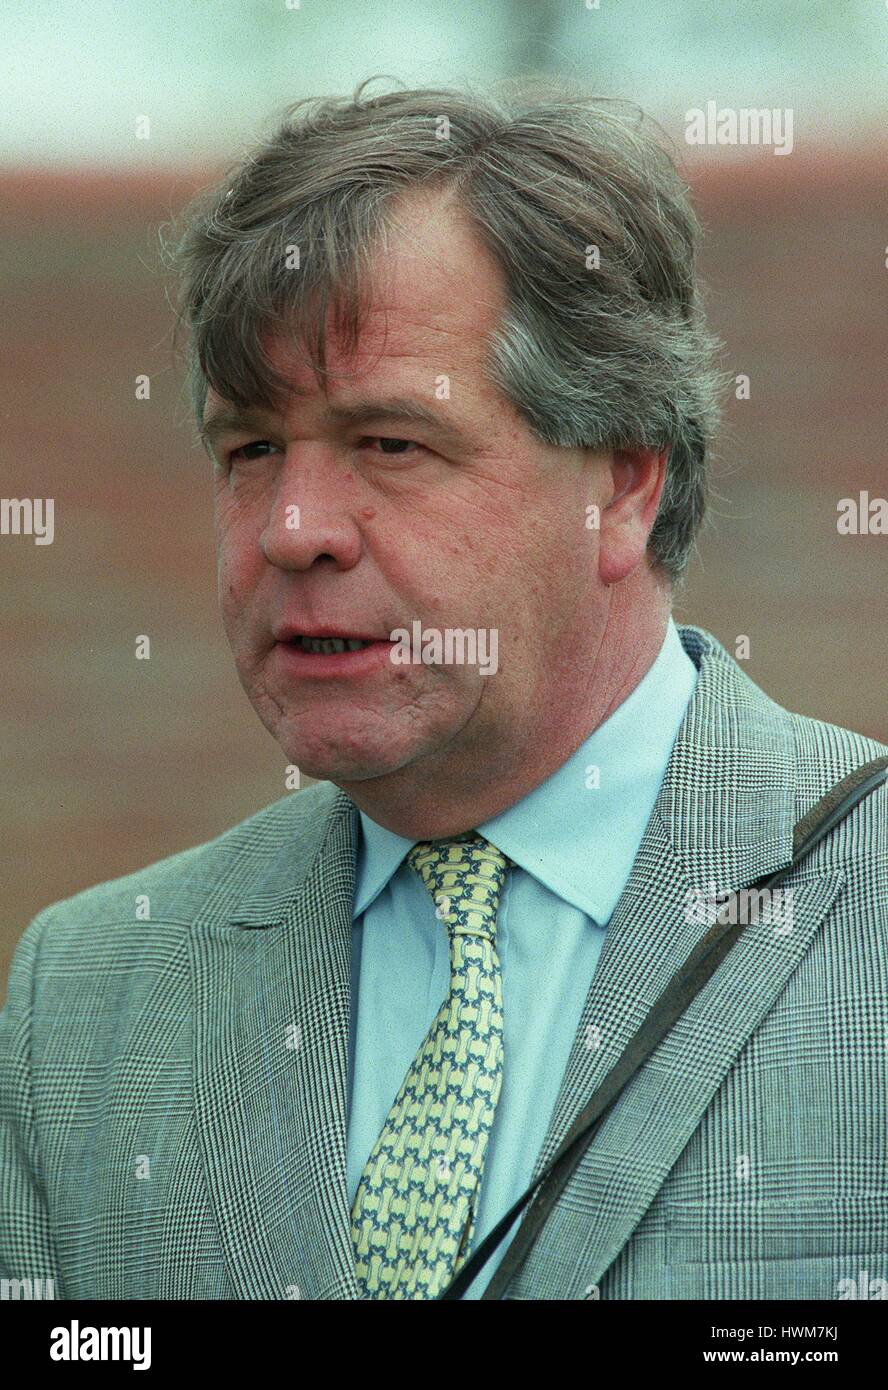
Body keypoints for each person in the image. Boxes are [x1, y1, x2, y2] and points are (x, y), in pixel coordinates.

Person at [1, 79, 885, 1302]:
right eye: (251, 448)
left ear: (622, 485)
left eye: (391, 444)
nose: (293, 529)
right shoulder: (85, 1002)